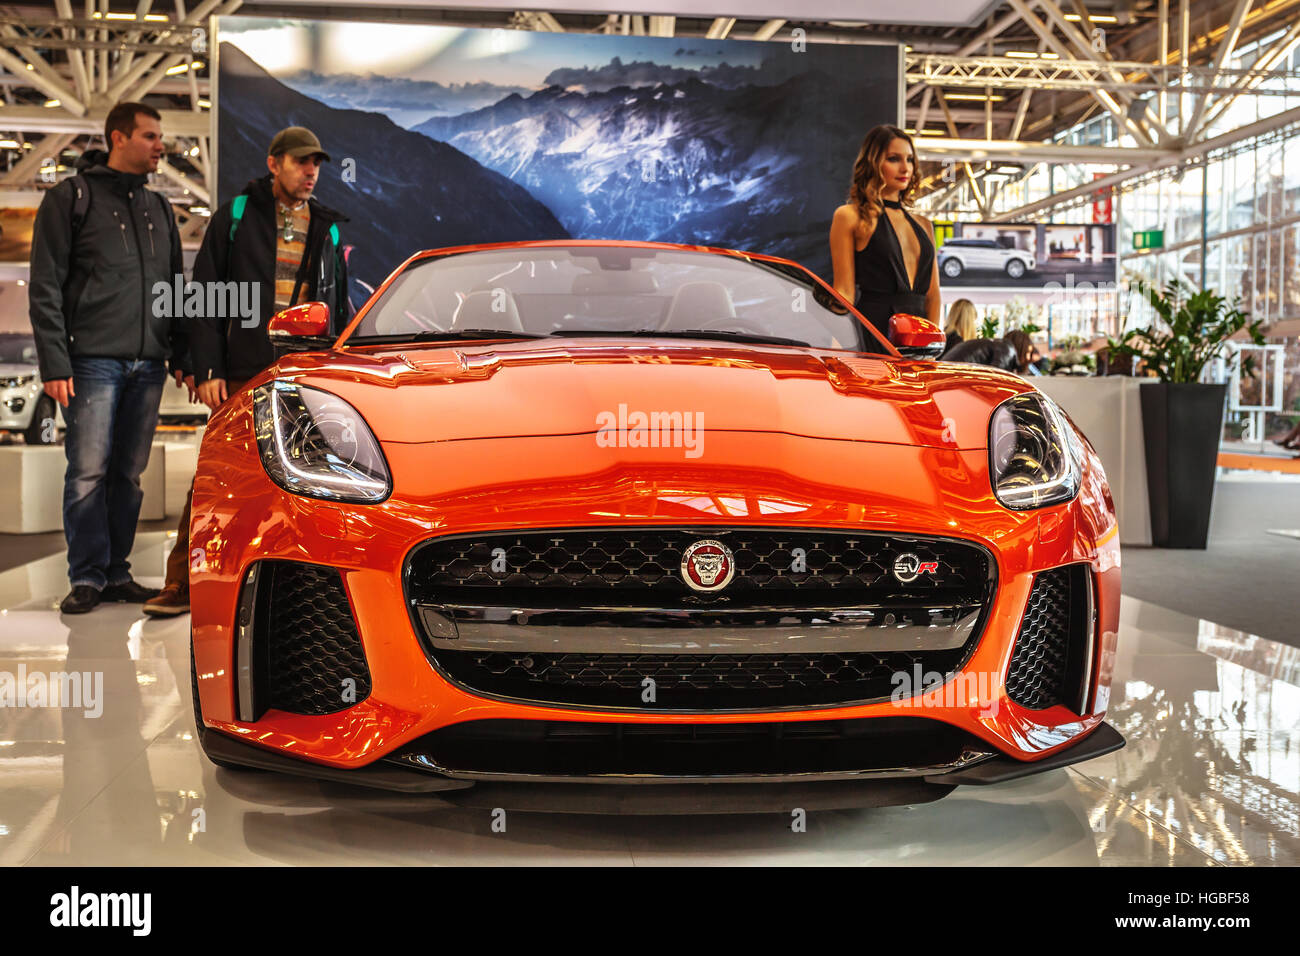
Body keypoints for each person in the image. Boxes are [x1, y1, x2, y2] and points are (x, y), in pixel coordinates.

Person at [143, 126, 349, 616]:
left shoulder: (328, 226)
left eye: (315, 163)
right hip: (243, 371)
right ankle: (182, 584)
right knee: (216, 480)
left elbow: (337, 303)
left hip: (305, 370)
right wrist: (208, 365)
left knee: (316, 480)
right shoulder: (237, 215)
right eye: (301, 162)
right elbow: (207, 292)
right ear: (274, 163)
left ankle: (309, 596)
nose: (310, 171)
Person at [29, 102, 188, 614]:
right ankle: (88, 576)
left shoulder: (159, 208)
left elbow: (174, 291)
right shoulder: (69, 198)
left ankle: (117, 572)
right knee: (87, 472)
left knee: (128, 475)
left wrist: (180, 352)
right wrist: (54, 363)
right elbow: (46, 285)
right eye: (149, 136)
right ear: (118, 138)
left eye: (160, 136)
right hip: (91, 361)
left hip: (148, 364)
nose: (159, 145)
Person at [829, 124, 941, 340]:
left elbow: (933, 296)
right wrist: (835, 343)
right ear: (873, 162)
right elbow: (844, 292)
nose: (905, 168)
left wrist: (931, 346)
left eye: (909, 159)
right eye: (894, 159)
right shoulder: (850, 216)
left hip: (919, 342)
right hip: (872, 335)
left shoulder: (924, 225)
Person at [941, 336, 1019, 371]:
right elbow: (995, 375)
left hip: (947, 368)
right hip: (955, 370)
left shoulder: (999, 343)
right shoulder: (1008, 349)